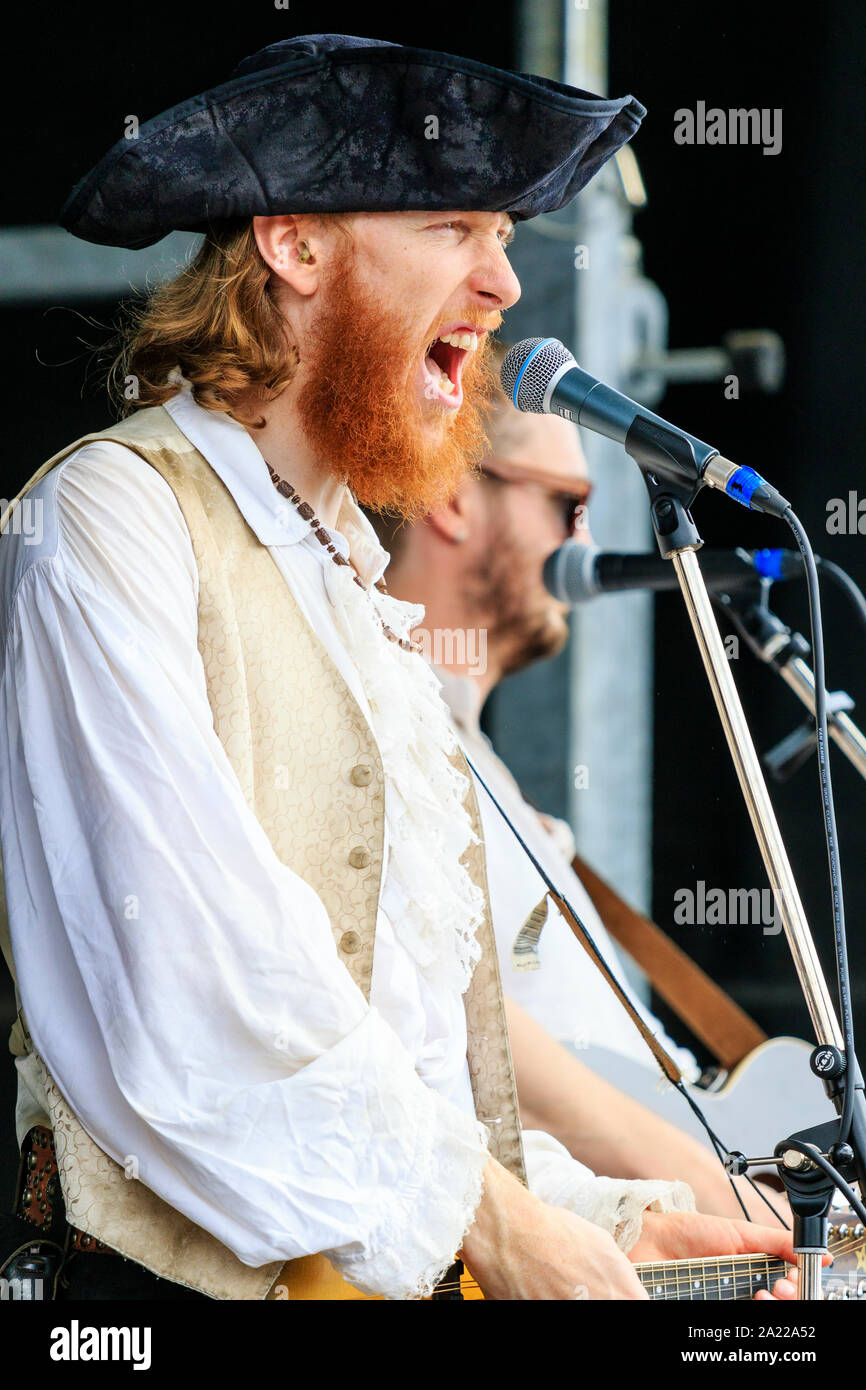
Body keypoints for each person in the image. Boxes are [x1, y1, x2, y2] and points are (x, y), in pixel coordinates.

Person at [0, 34, 798, 1300]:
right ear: (295, 245)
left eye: (500, 233)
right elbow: (202, 991)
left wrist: (602, 1215)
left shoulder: (355, 593)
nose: (502, 285)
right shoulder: (113, 516)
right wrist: (498, 1226)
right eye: (451, 226)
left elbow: (413, 1068)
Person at [366, 348, 792, 1226]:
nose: (589, 546)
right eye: (571, 507)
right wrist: (729, 1196)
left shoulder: (485, 773)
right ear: (451, 495)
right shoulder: (377, 733)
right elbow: (470, 1033)